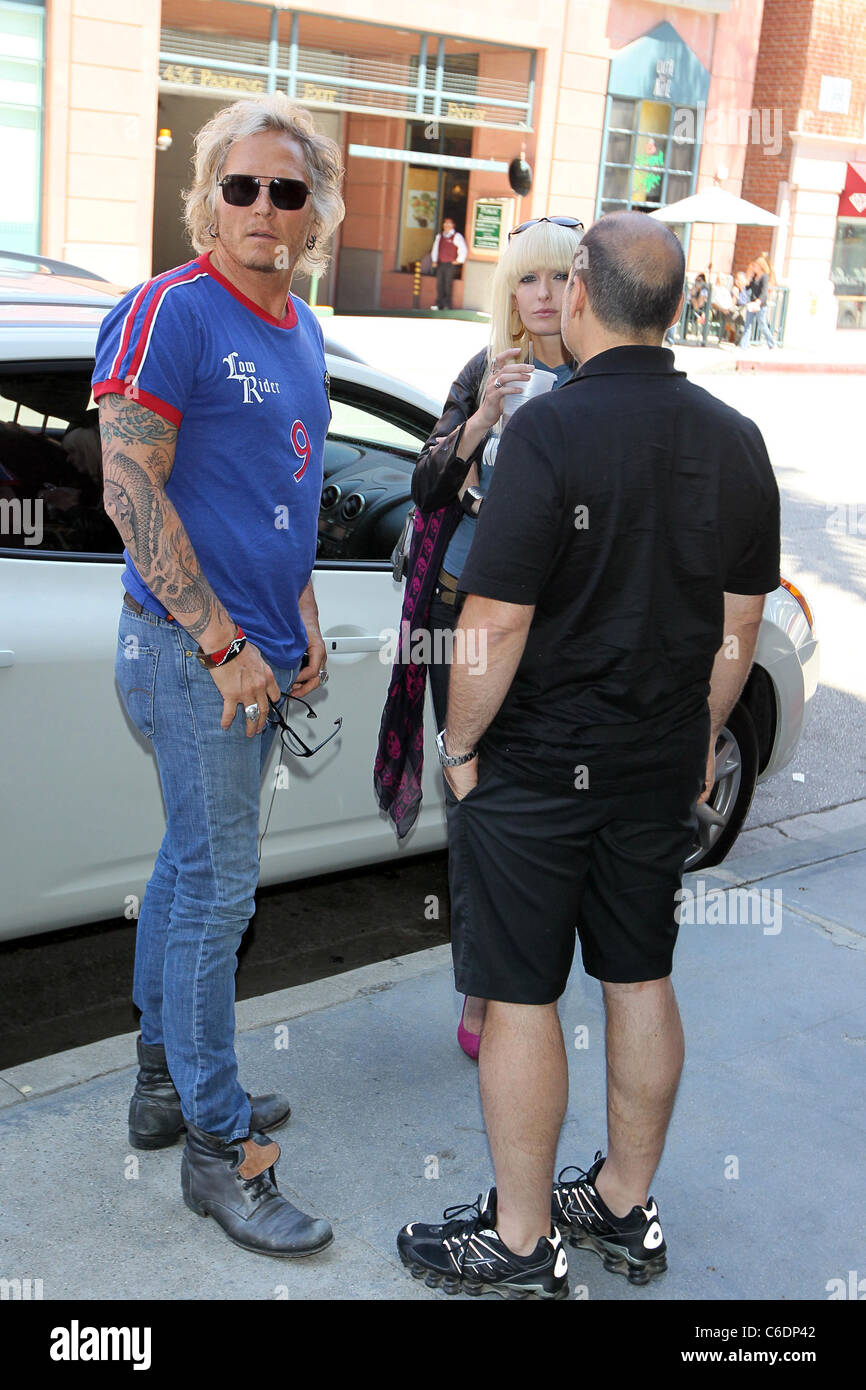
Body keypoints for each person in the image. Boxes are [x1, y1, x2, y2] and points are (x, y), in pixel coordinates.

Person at [396, 210, 780, 1299]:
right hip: (657, 766)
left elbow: (495, 620)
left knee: (519, 994)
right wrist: (699, 739)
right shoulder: (735, 439)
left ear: (578, 297)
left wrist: (457, 746)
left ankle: (522, 1242)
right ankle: (621, 1204)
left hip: (535, 766)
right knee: (639, 974)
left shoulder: (552, 432)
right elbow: (736, 629)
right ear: (670, 309)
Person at [93, 93, 344, 1258]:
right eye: (239, 185)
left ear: (314, 210)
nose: (260, 207)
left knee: (186, 870)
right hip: (193, 661)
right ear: (206, 197)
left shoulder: (296, 325)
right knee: (215, 895)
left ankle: (160, 1082)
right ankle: (214, 1146)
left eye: (285, 190)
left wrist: (294, 616)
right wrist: (224, 644)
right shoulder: (170, 310)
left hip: (250, 652)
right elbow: (129, 491)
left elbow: (276, 488)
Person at [374, 215, 584, 1061]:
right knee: (467, 808)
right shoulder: (487, 370)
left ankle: (521, 979)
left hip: (545, 630)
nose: (542, 297)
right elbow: (425, 485)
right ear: (509, 291)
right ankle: (478, 983)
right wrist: (482, 421)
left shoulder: (593, 382)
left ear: (584, 289)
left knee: (524, 810)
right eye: (527, 280)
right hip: (456, 617)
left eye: (561, 278)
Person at [738, 255, 777, 349]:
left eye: (755, 266)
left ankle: (771, 343)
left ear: (760, 266)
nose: (753, 268)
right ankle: (743, 345)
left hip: (760, 305)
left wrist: (758, 301)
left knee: (762, 324)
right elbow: (748, 288)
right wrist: (747, 280)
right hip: (752, 303)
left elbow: (764, 292)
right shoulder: (755, 276)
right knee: (748, 324)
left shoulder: (764, 277)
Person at [430, 217, 468, 310]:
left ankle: (447, 305)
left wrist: (459, 260)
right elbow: (435, 249)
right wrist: (434, 260)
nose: (446, 225)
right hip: (441, 263)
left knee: (448, 284)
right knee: (439, 284)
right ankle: (439, 304)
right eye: (445, 223)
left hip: (450, 264)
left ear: (453, 225)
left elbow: (463, 249)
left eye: (449, 223)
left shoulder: (456, 236)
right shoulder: (439, 236)